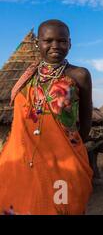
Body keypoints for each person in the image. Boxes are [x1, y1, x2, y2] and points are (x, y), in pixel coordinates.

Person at [0, 20, 93, 215]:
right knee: (25, 205)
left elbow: (86, 120)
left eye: (62, 41)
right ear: (37, 43)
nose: (55, 46)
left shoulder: (79, 75)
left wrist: (69, 146)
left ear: (70, 43)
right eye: (48, 40)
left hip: (65, 159)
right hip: (24, 160)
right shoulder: (26, 78)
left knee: (65, 206)